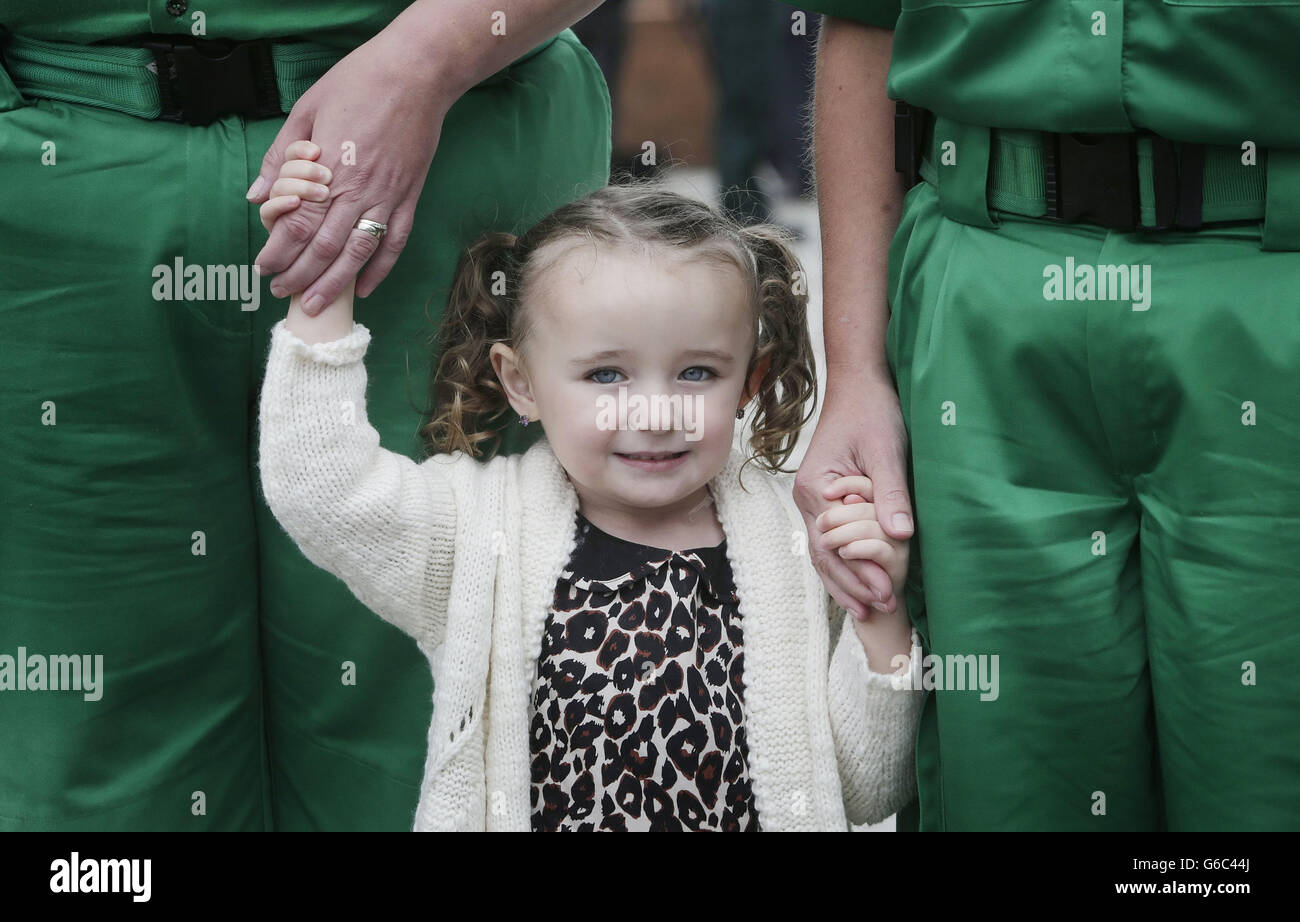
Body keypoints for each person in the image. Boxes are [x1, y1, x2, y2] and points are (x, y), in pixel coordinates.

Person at [0, 1, 610, 830]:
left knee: (441, 710)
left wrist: (422, 62)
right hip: (49, 165)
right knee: (84, 752)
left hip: (456, 131)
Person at [256, 145, 927, 830]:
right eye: (606, 375)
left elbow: (868, 788)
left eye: (697, 373)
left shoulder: (797, 541)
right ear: (522, 383)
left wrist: (877, 611)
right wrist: (322, 291)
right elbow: (323, 488)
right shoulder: (478, 533)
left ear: (748, 384)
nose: (654, 412)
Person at [785, 3, 1300, 830]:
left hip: (1274, 292)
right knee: (1011, 787)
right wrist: (854, 371)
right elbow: (867, 20)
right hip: (985, 292)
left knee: (1269, 778)